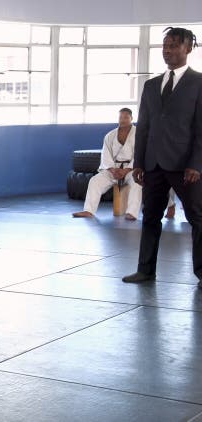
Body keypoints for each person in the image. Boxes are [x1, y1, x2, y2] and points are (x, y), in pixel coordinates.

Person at [122, 27, 202, 287]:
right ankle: (145, 270)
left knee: (197, 218)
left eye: (174, 45)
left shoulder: (199, 82)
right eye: (165, 46)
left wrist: (196, 163)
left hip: (185, 165)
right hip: (153, 163)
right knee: (150, 217)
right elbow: (144, 127)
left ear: (188, 48)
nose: (167, 51)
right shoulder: (151, 85)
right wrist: (139, 163)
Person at [73, 108, 142, 220]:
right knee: (94, 181)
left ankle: (132, 213)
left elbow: (139, 155)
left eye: (126, 117)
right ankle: (88, 210)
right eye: (120, 117)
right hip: (114, 169)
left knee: (137, 182)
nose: (123, 120)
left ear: (131, 119)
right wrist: (112, 170)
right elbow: (105, 155)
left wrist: (126, 170)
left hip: (131, 169)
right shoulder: (110, 135)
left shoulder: (139, 134)